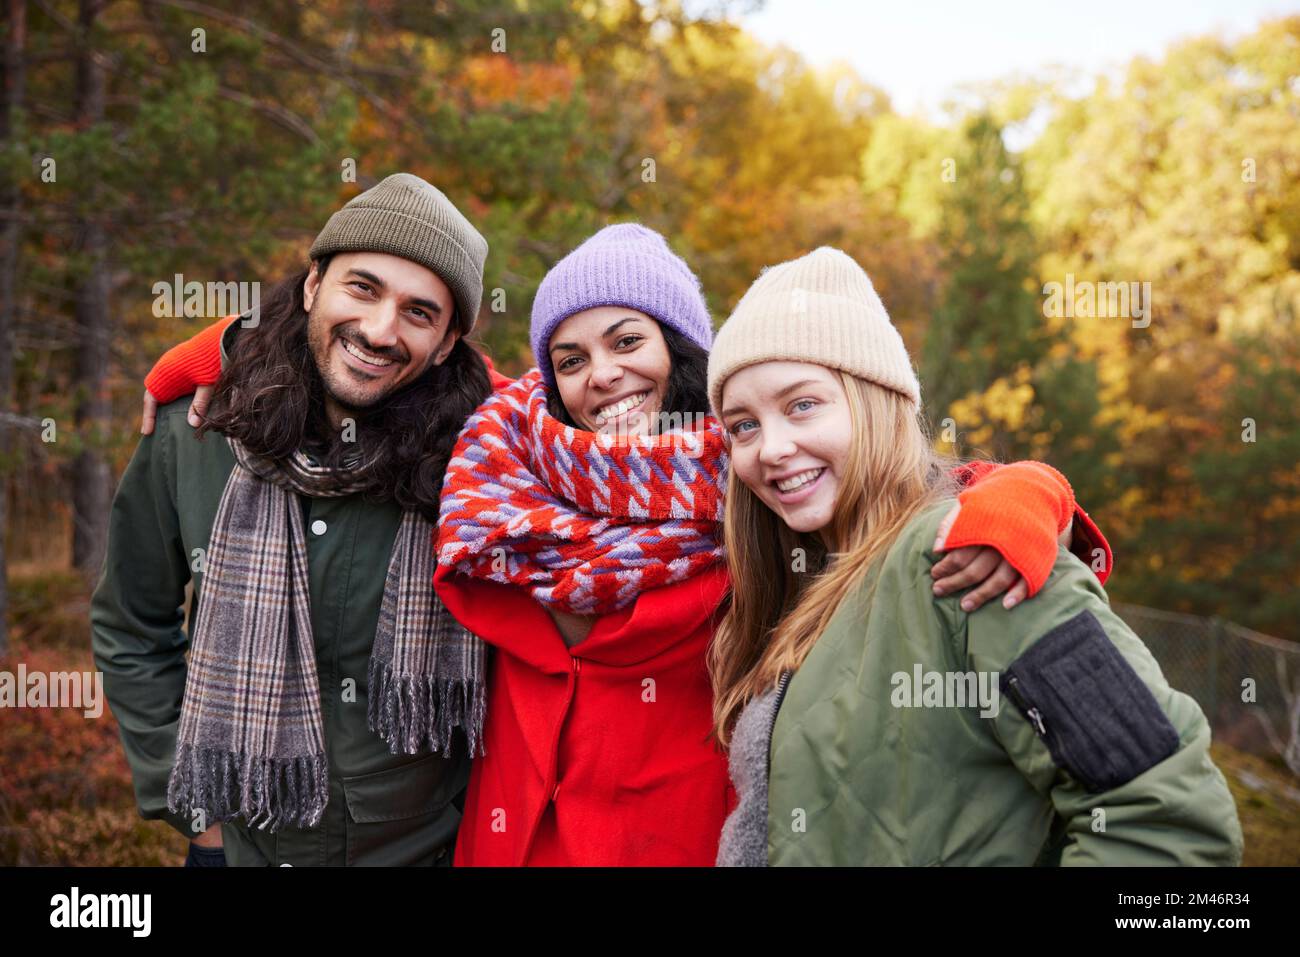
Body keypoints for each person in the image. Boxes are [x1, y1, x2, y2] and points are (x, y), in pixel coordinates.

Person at [140, 224, 1115, 866]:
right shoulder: (490, 460)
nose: (600, 375)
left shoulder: (756, 483)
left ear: (682, 353)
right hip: (498, 847)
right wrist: (227, 356)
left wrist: (1030, 495)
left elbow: (907, 488)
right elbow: (373, 354)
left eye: (628, 342)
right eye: (569, 356)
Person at [707, 246, 1244, 866]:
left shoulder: (978, 560)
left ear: (880, 402)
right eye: (743, 425)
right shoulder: (800, 589)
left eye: (803, 405)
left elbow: (1172, 825)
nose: (770, 448)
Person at [91, 173, 496, 866]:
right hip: (238, 845)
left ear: (449, 341)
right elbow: (131, 622)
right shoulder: (197, 430)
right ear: (313, 285)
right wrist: (189, 809)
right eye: (361, 288)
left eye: (419, 313)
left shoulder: (487, 459)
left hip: (418, 849)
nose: (378, 330)